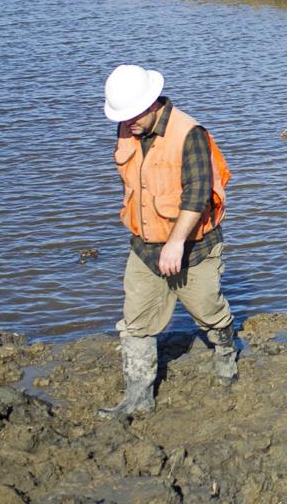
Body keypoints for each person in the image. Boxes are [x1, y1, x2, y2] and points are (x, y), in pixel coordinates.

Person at [98, 64, 238, 419]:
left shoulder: (188, 133)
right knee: (135, 324)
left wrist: (176, 242)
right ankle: (137, 399)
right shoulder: (128, 129)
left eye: (131, 115)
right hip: (144, 249)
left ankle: (225, 353)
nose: (126, 123)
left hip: (194, 249)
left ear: (151, 103)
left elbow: (198, 194)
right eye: (122, 116)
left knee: (209, 313)